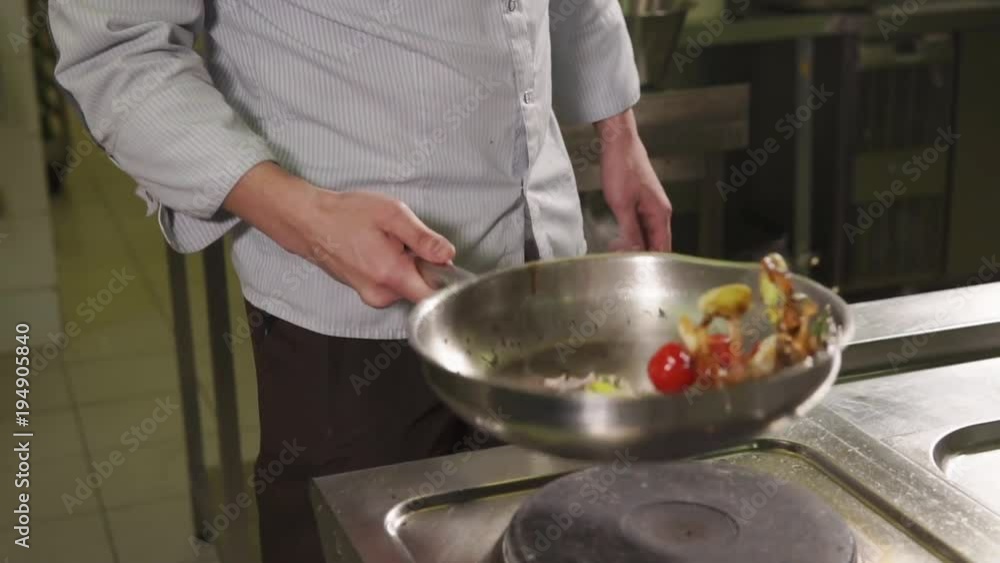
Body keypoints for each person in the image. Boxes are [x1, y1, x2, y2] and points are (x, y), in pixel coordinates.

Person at [50, 1, 672, 561]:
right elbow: (117, 49)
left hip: (542, 276)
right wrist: (308, 219)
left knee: (545, 535)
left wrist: (619, 130)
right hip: (352, 317)